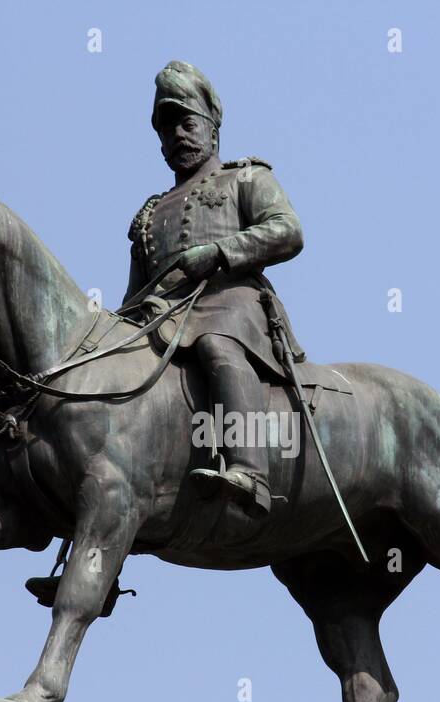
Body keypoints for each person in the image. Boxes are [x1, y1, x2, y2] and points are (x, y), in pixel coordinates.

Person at [124, 60, 305, 519]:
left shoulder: (245, 179)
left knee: (215, 344)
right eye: (167, 129)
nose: (178, 136)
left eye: (187, 123)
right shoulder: (148, 213)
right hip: (161, 320)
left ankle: (249, 471)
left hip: (232, 306)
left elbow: (287, 231)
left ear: (212, 127)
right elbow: (132, 297)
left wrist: (220, 253)